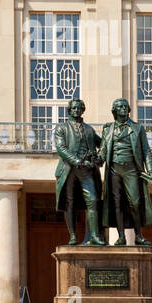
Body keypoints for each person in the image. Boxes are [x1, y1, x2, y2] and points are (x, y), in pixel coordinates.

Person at [99, 98, 152, 248]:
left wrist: (151, 170)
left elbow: (146, 151)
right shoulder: (108, 129)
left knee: (135, 202)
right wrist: (95, 160)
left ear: (128, 110)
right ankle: (121, 236)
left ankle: (138, 235)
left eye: (125, 106)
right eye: (119, 107)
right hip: (114, 169)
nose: (123, 109)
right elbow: (103, 151)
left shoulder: (137, 128)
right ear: (114, 111)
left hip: (131, 169)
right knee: (117, 203)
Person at [54, 97, 105, 245]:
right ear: (69, 110)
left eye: (79, 108)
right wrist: (76, 160)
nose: (77, 110)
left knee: (93, 201)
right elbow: (61, 148)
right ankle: (73, 236)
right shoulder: (61, 128)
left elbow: (102, 144)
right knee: (69, 202)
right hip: (69, 169)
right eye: (74, 108)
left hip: (87, 170)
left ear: (83, 110)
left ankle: (94, 236)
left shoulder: (89, 129)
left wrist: (99, 156)